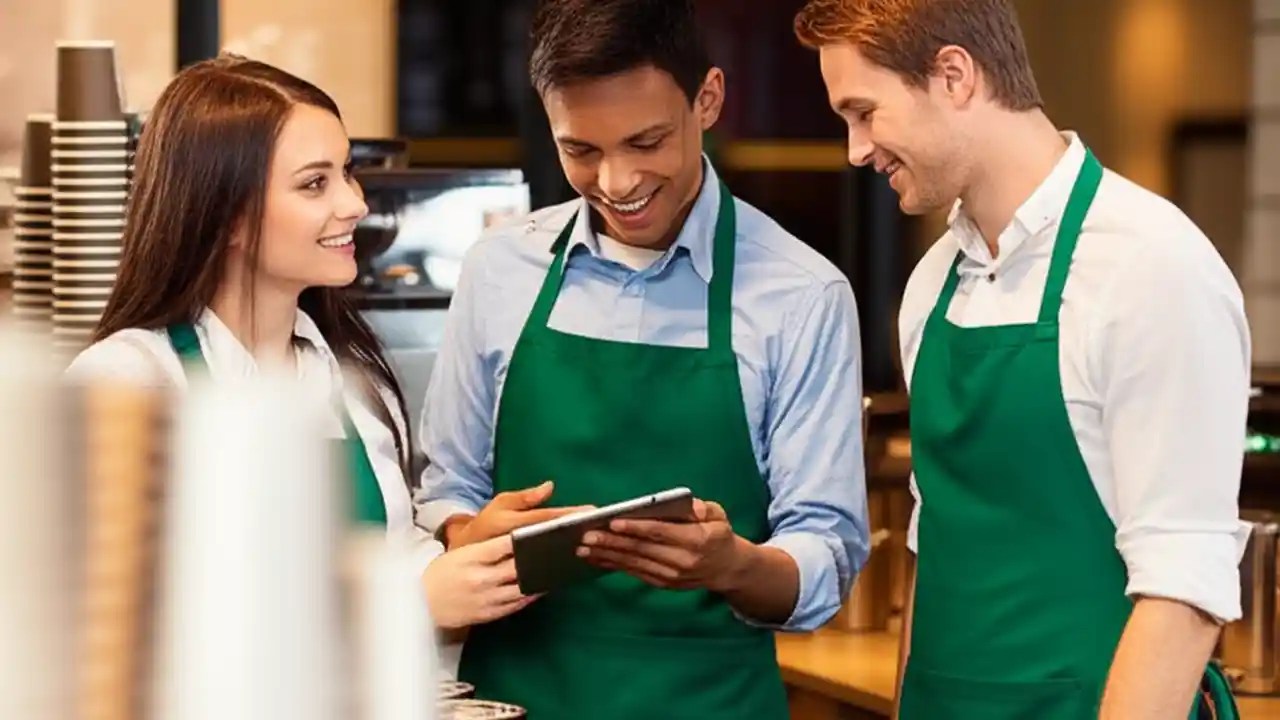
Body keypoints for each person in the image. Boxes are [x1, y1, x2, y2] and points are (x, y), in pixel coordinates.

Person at [794, 1, 1250, 719]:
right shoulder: (931, 287)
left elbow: (1184, 591)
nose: (855, 150)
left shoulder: (1151, 268)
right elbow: (933, 544)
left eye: (864, 112)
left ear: (954, 76)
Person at [416, 0, 869, 716]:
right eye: (581, 151)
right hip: (515, 698)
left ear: (708, 100)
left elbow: (826, 555)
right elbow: (447, 491)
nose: (617, 182)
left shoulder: (802, 294)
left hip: (711, 701)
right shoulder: (500, 269)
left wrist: (733, 564)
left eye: (646, 142)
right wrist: (471, 532)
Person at [63, 54, 536, 632]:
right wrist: (402, 607)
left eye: (346, 172)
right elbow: (118, 623)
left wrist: (462, 552)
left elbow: (390, 562)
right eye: (316, 183)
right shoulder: (129, 382)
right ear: (227, 216)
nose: (355, 204)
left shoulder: (354, 386)